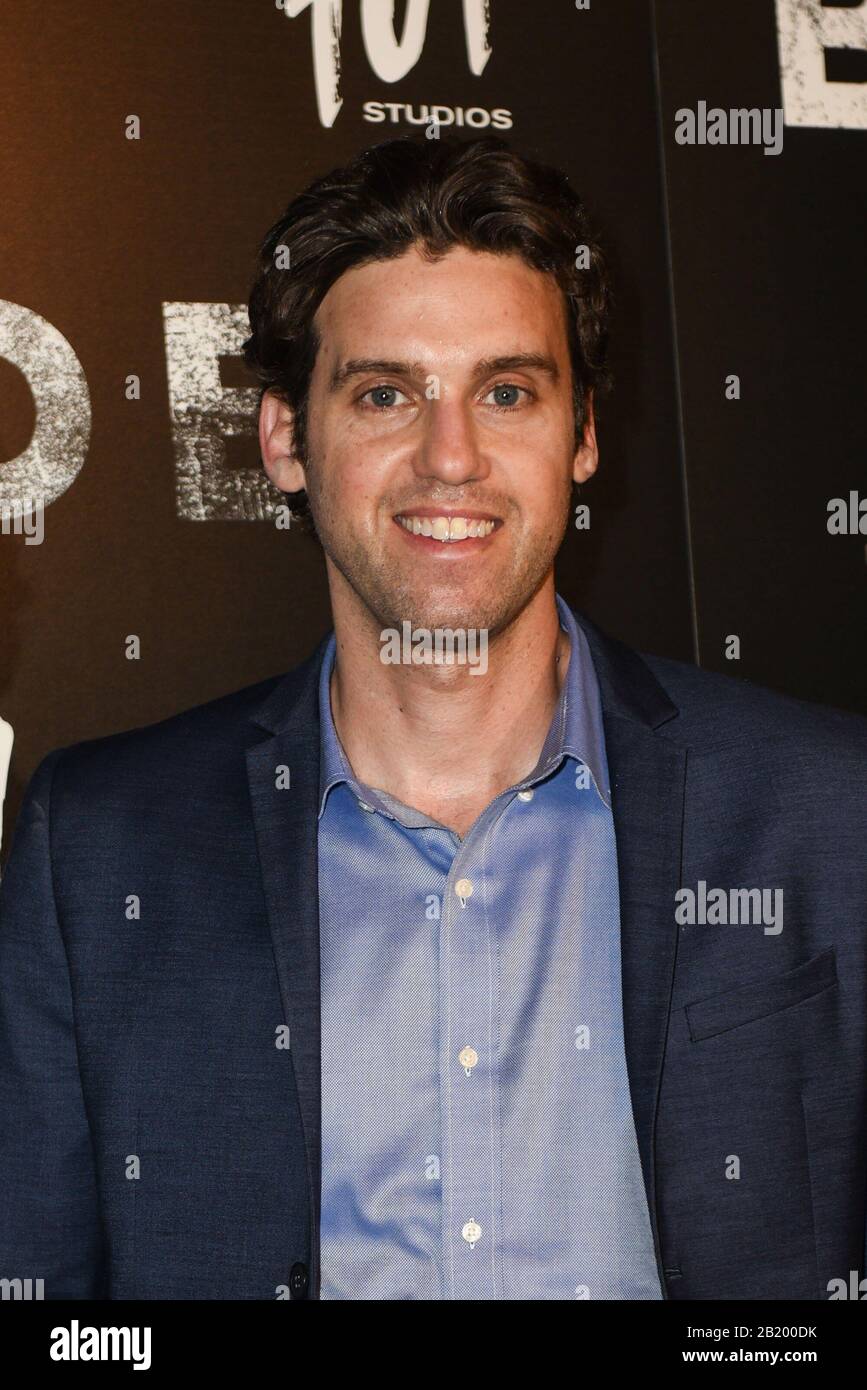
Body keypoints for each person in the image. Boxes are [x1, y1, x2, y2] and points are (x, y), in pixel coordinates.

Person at [1, 135, 864, 1301]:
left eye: (507, 392)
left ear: (585, 435)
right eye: (386, 394)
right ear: (283, 440)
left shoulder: (825, 813)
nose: (451, 457)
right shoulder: (102, 845)